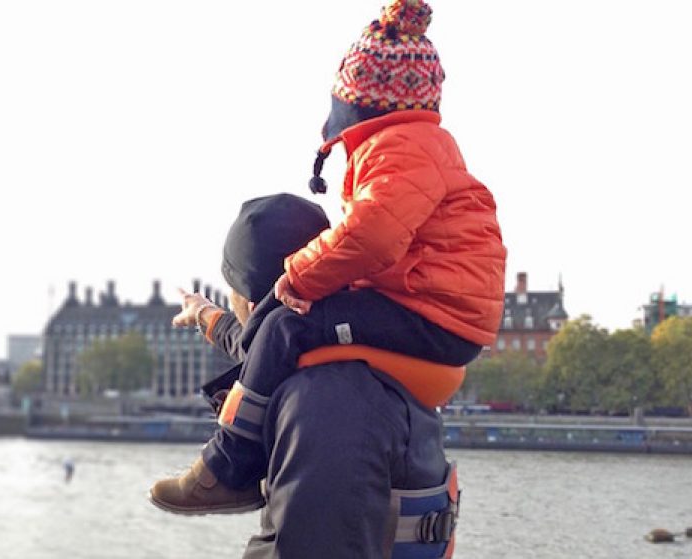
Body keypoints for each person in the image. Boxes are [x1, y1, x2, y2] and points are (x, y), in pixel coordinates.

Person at [150, 0, 506, 517]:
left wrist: (297, 275)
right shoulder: (417, 146)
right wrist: (209, 316)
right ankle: (230, 465)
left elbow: (372, 236)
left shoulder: (400, 149)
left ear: (359, 102)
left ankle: (227, 469)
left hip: (433, 314)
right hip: (437, 308)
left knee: (287, 325)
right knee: (285, 326)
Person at [151, 193, 462, 557]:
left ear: (254, 306)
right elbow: (258, 346)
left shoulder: (326, 404)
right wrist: (205, 315)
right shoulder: (345, 354)